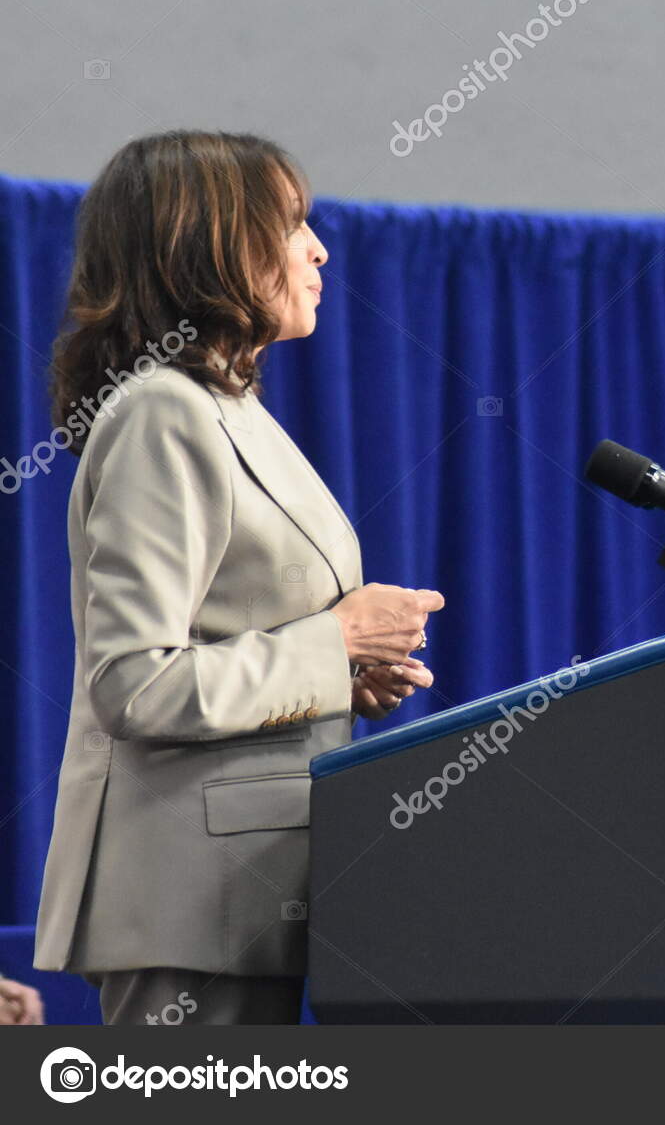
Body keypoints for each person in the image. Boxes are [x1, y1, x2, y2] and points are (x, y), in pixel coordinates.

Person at [32, 131, 445, 1025]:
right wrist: (333, 641)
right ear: (209, 243)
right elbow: (134, 684)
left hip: (247, 891)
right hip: (188, 897)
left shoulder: (225, 405)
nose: (318, 250)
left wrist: (341, 676)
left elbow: (231, 638)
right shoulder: (163, 412)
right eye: (292, 224)